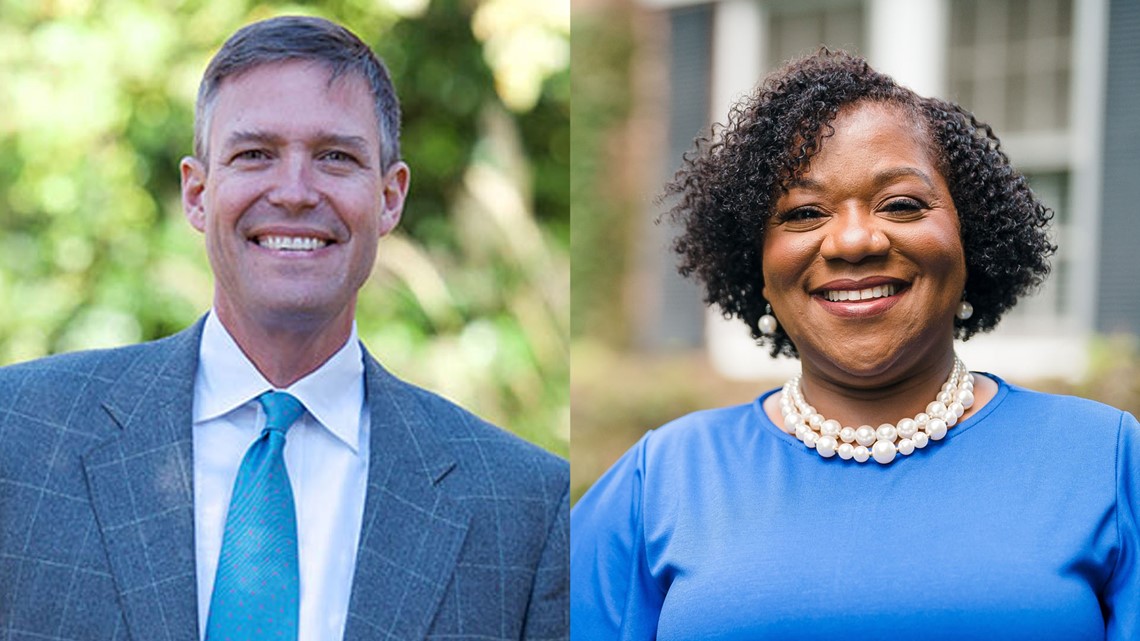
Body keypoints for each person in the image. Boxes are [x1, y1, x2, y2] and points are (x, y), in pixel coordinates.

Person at [0, 16, 568, 641]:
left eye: (335, 157)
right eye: (255, 155)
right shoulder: (20, 436)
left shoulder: (525, 508)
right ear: (197, 193)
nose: (295, 192)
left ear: (389, 197)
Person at [570, 50, 1138, 640]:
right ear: (757, 265)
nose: (853, 241)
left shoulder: (1104, 459)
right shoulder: (663, 479)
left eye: (901, 204)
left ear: (970, 239)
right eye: (804, 212)